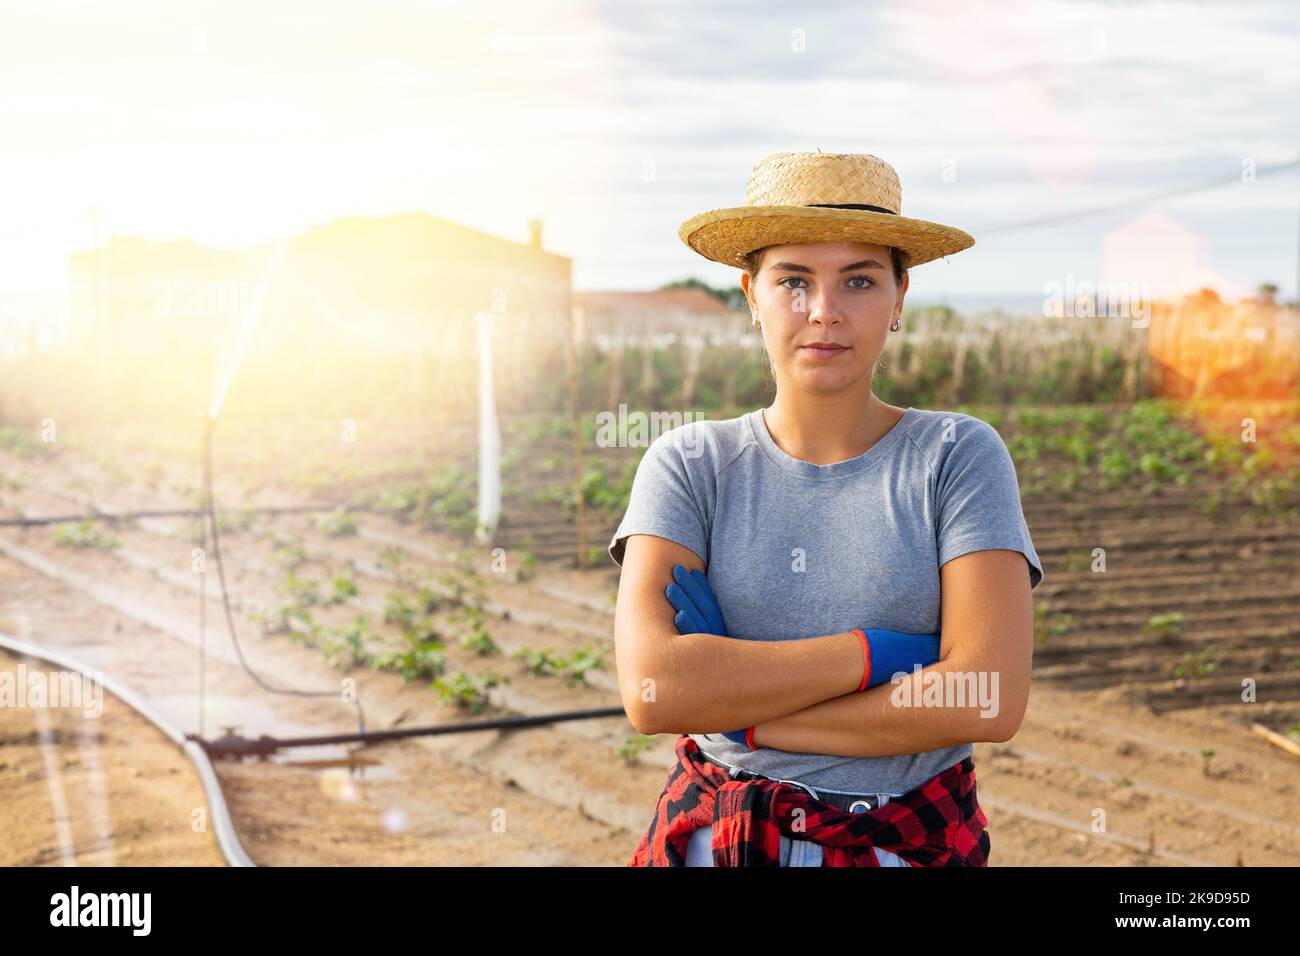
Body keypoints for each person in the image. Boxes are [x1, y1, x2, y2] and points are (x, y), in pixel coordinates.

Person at [608, 151, 1044, 867]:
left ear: (900, 297)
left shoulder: (956, 456)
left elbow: (986, 699)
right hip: (718, 841)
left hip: (904, 846)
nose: (824, 312)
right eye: (793, 281)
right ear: (752, 295)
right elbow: (656, 691)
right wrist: (876, 656)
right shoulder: (689, 465)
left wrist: (744, 716)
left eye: (860, 280)